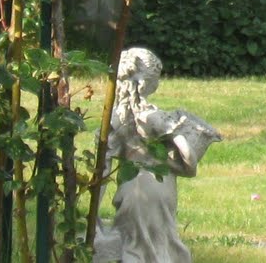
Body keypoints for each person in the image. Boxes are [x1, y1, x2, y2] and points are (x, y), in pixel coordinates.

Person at [93, 47, 222, 263]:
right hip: (155, 190)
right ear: (148, 83)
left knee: (135, 248)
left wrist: (92, 216)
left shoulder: (115, 120)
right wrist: (172, 131)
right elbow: (190, 165)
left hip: (131, 192)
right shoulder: (154, 119)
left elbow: (102, 166)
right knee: (158, 248)